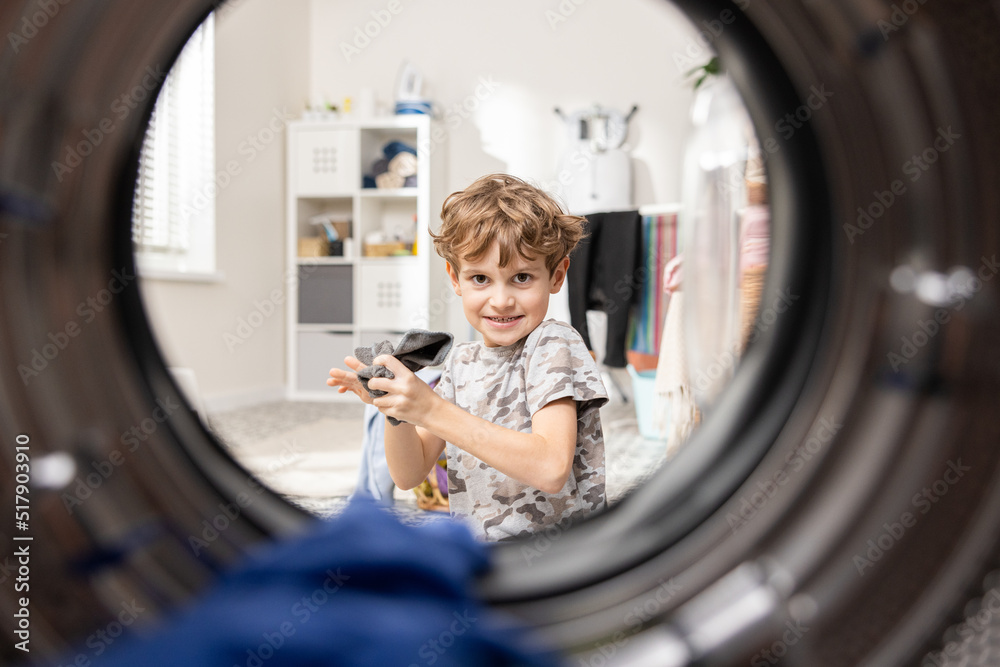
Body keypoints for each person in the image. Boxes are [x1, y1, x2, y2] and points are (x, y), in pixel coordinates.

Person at [329, 174, 608, 541]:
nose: (501, 299)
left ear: (556, 276)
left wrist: (431, 409)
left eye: (522, 277)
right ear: (455, 278)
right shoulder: (461, 362)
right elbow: (409, 474)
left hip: (559, 558)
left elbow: (550, 467)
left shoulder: (552, 343)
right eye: (480, 279)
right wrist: (396, 409)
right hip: (484, 551)